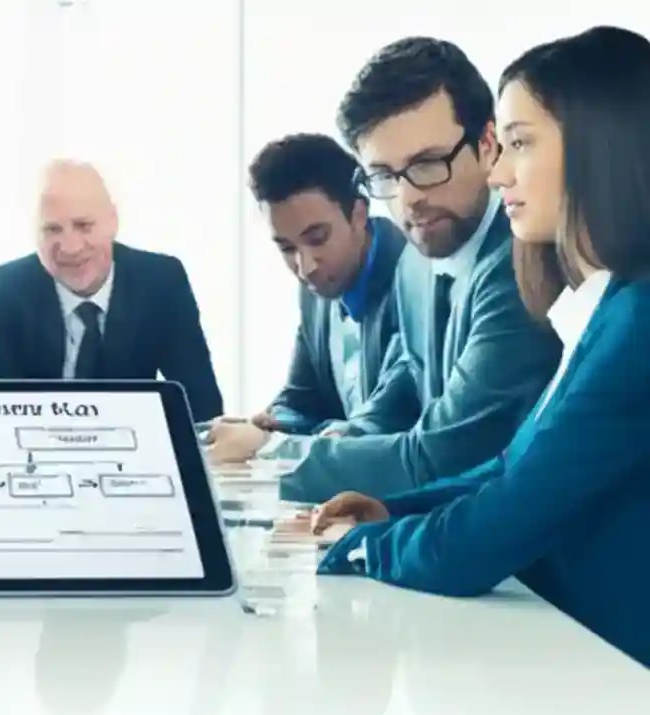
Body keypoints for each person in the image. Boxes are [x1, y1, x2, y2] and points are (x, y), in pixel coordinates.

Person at [313, 25, 650, 668]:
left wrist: (364, 545)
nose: (497, 172)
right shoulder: (613, 305)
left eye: (519, 143)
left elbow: (491, 531)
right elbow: (513, 468)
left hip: (612, 672)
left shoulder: (640, 323)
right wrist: (391, 508)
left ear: (599, 145)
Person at [208, 37, 561, 501]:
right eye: (385, 175)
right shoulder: (414, 261)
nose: (407, 197)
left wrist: (271, 451)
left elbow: (439, 456)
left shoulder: (523, 266)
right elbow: (402, 394)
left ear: (488, 144)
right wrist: (334, 440)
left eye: (428, 163)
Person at [0, 160, 223, 421]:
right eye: (52, 229)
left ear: (113, 221)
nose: (70, 247)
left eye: (83, 225)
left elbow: (201, 407)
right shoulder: (4, 289)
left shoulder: (161, 282)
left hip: (132, 448)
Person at [243, 133, 409, 435]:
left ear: (359, 214)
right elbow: (301, 397)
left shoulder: (412, 278)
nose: (305, 267)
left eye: (317, 239)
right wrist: (272, 424)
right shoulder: (316, 289)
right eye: (286, 248)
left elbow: (388, 417)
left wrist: (272, 445)